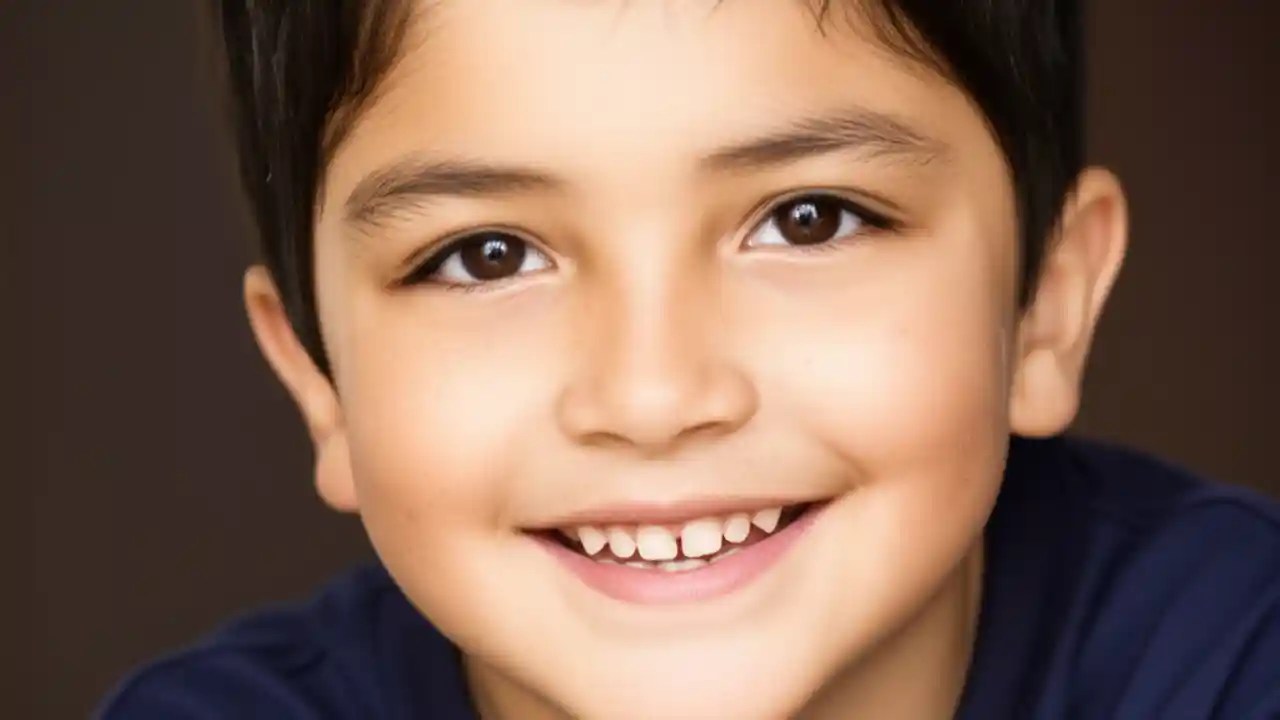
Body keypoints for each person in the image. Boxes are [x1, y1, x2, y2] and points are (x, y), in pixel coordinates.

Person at [98, 1, 1280, 718]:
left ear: (1046, 306)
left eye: (809, 219)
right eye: (486, 253)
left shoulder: (1234, 655)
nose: (653, 396)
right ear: (319, 382)